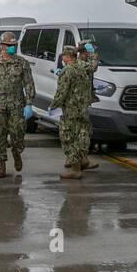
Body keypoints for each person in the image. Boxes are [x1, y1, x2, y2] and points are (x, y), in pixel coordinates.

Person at [0, 31, 36, 177]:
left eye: (14, 45)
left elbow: (29, 84)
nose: (12, 47)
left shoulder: (22, 63)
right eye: (9, 45)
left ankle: (16, 152)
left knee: (18, 134)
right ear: (2, 46)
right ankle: (1, 165)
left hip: (17, 106)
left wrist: (29, 103)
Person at [49, 45, 92, 179]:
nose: (62, 57)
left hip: (70, 110)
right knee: (80, 136)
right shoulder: (82, 68)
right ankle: (82, 160)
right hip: (82, 109)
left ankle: (75, 168)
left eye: (63, 55)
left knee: (68, 137)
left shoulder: (67, 70)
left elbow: (62, 92)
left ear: (67, 56)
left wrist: (53, 106)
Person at [74, 40, 101, 171]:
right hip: (78, 104)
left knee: (83, 131)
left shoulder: (81, 64)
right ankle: (80, 160)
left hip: (82, 102)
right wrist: (93, 54)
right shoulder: (80, 64)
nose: (88, 55)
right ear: (82, 53)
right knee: (83, 131)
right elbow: (93, 66)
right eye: (87, 53)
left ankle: (80, 160)